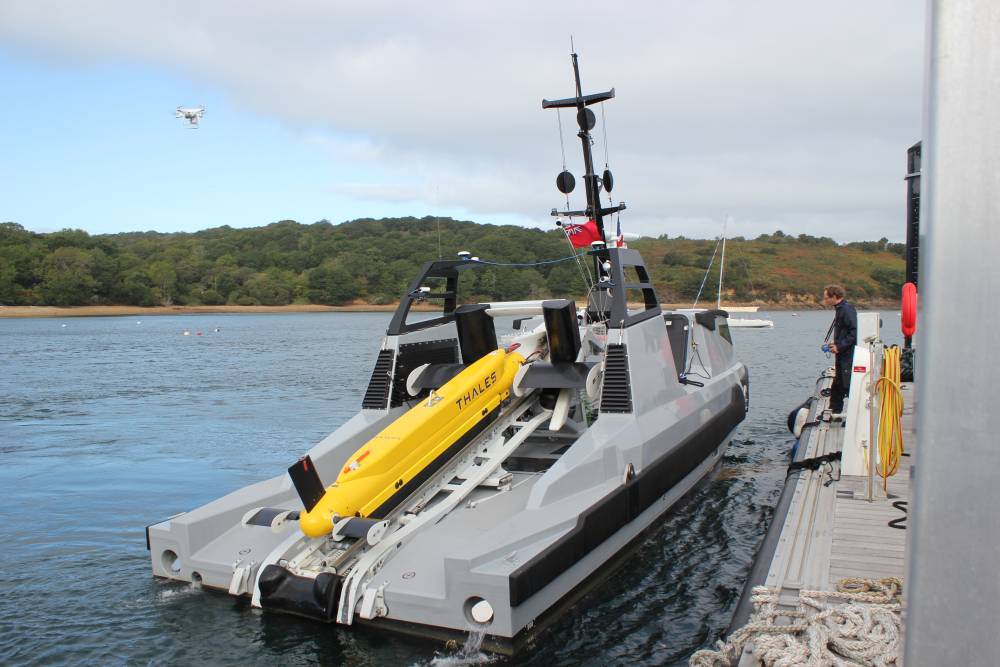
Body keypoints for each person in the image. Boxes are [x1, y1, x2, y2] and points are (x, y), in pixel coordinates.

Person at [823, 284, 857, 415]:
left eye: (826, 298)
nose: (825, 300)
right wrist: (836, 344)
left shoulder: (846, 310)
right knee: (838, 385)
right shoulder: (840, 309)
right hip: (843, 353)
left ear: (834, 297)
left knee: (847, 385)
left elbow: (854, 332)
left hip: (847, 355)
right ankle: (834, 411)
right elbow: (846, 332)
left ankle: (852, 414)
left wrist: (839, 346)